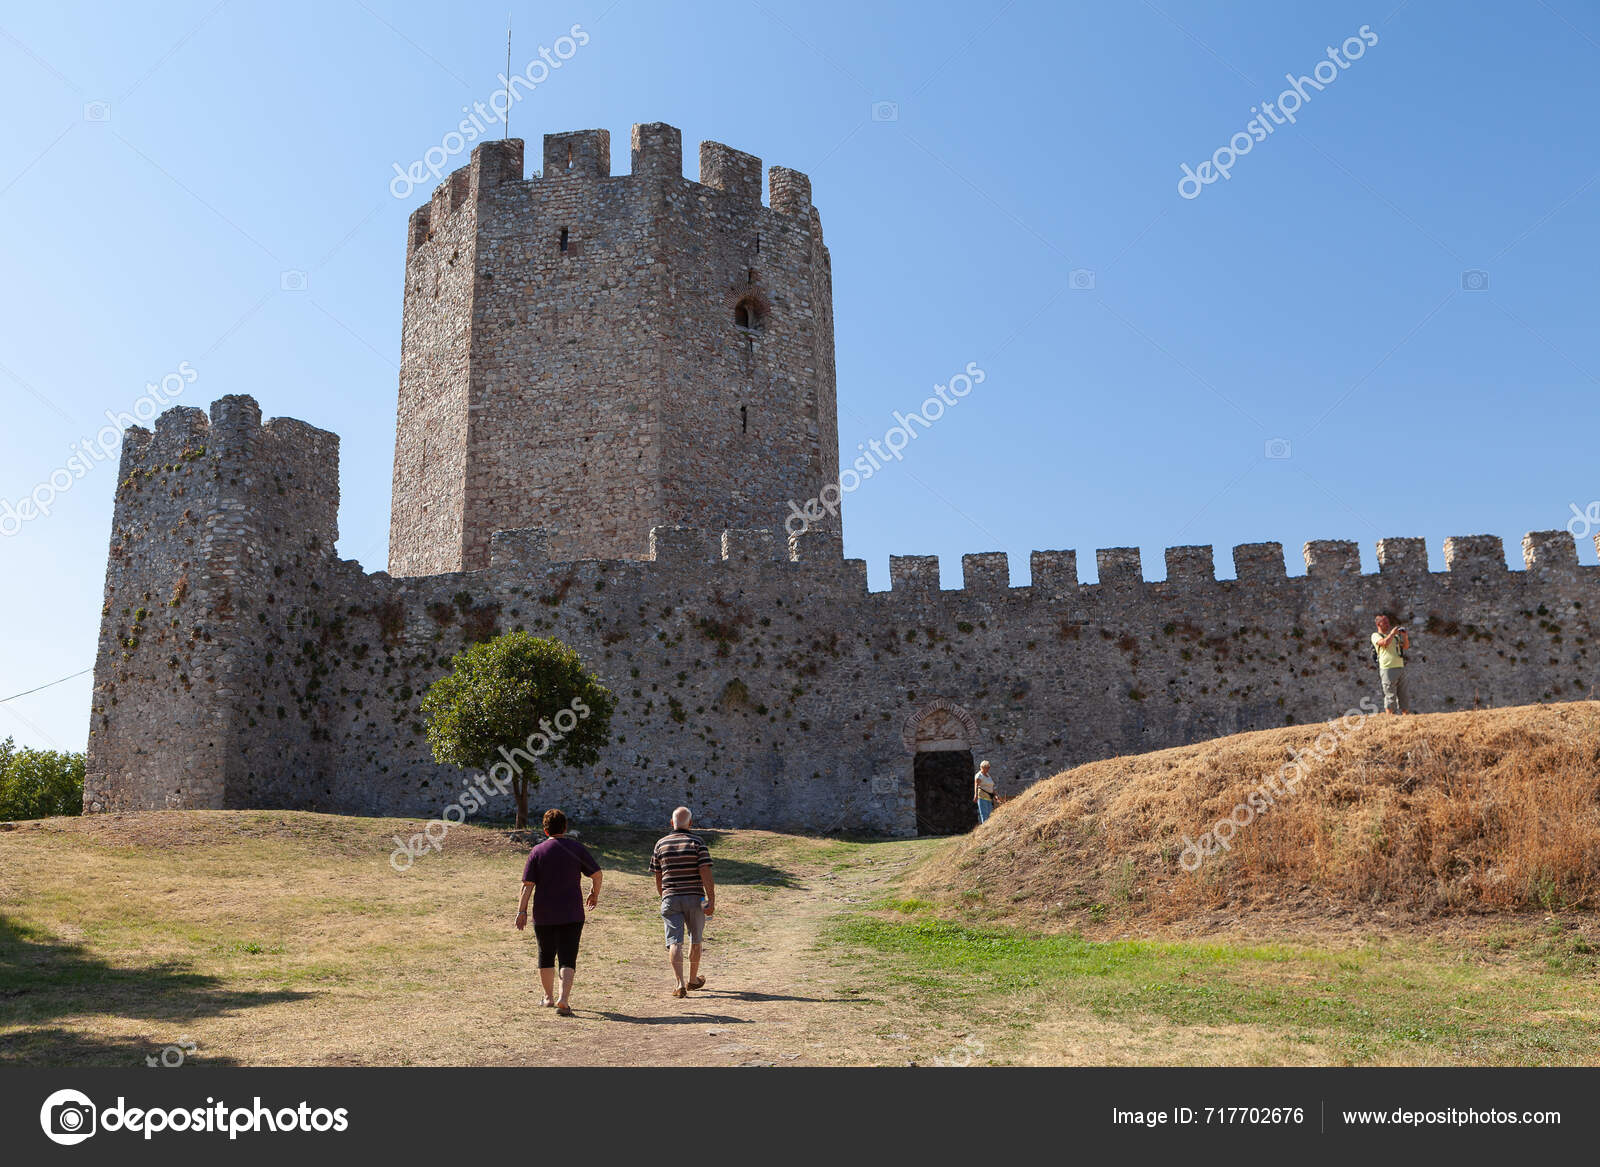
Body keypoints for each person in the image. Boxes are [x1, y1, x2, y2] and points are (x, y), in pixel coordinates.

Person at [514, 808, 602, 1017]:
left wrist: (521, 911)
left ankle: (548, 998)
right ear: (565, 827)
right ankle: (564, 999)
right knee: (567, 957)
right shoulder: (576, 848)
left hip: (544, 914)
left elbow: (527, 885)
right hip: (572, 913)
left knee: (545, 955)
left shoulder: (537, 851)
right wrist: (594, 893)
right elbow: (597, 874)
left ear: (545, 830)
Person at [649, 806, 715, 998]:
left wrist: (664, 895)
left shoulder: (660, 844)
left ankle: (679, 984)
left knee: (674, 941)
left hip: (670, 897)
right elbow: (705, 871)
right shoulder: (698, 842)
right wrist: (711, 899)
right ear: (690, 823)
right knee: (696, 938)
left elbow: (658, 875)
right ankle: (693, 979)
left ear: (672, 823)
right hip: (696, 897)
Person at [1371, 613, 1411, 714]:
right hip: (1387, 668)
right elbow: (1384, 643)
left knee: (1404, 694)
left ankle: (1406, 716)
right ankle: (1390, 717)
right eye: (1385, 622)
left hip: (1400, 667)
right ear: (1378, 624)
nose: (1388, 624)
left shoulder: (1395, 637)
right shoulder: (1375, 636)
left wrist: (1404, 636)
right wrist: (1392, 634)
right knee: (1390, 695)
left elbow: (1405, 646)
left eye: (1388, 622)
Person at [973, 759, 997, 824]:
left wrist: (995, 795)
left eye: (988, 767)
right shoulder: (979, 775)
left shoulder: (988, 775)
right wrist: (976, 795)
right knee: (984, 815)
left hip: (989, 797)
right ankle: (986, 828)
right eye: (987, 767)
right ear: (982, 767)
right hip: (982, 797)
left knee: (990, 815)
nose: (988, 769)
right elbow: (976, 785)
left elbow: (991, 786)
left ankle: (990, 828)